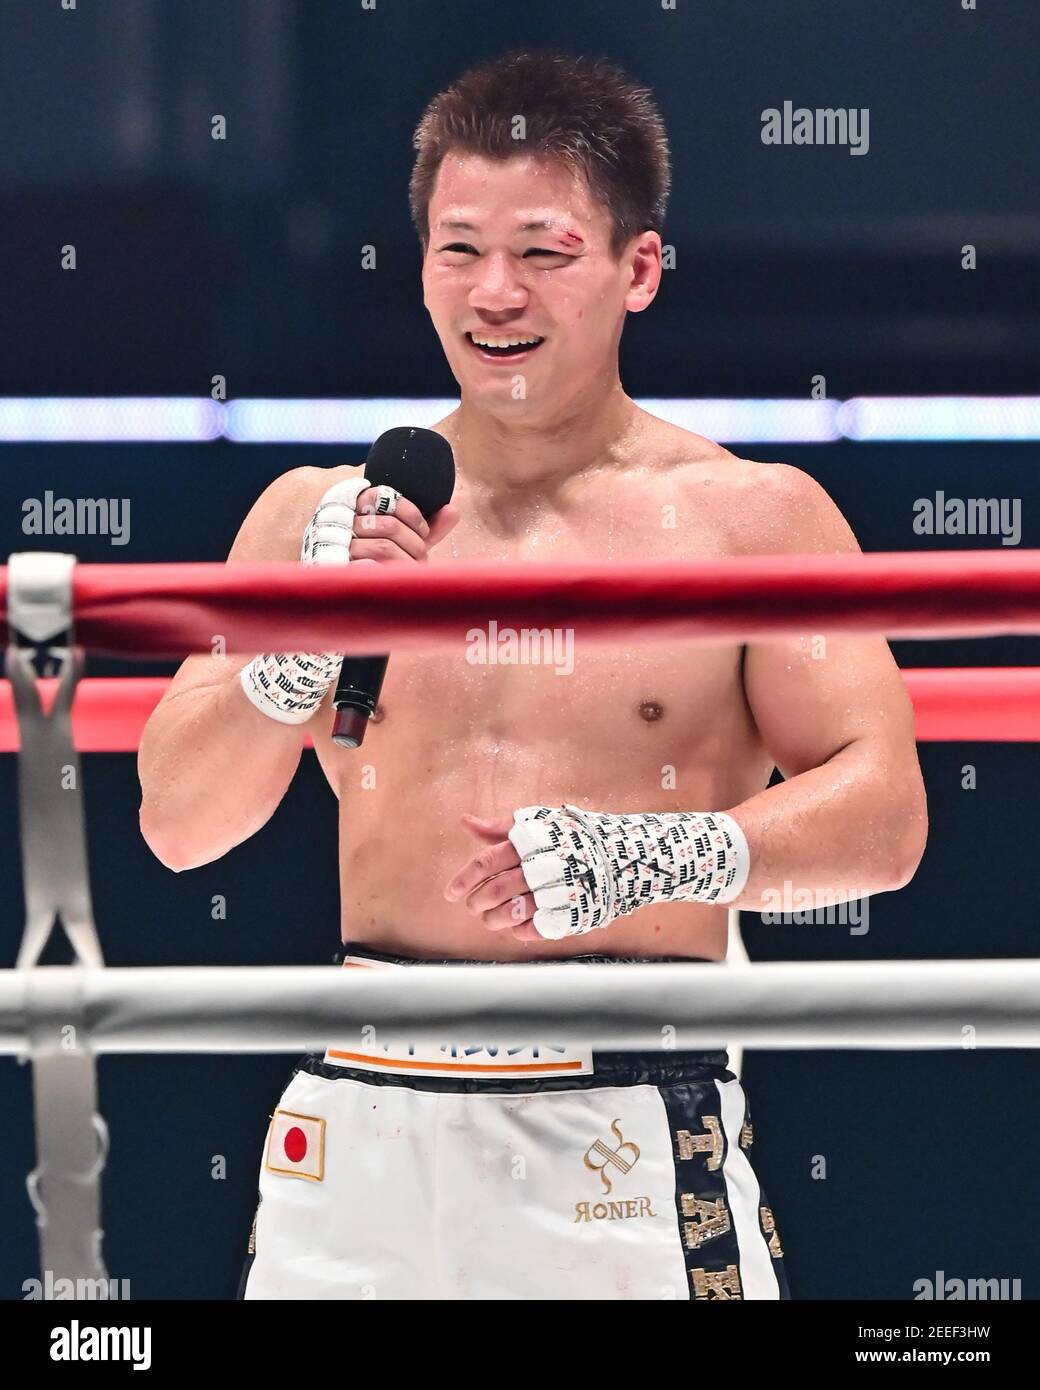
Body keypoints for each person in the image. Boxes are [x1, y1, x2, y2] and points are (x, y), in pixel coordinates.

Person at [138, 49, 927, 1300]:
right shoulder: (318, 516)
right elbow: (176, 825)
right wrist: (292, 659)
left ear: (638, 268)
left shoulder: (749, 518)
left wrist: (664, 855)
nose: (493, 291)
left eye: (543, 251)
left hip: (616, 1117)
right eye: (458, 249)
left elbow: (885, 818)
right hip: (357, 1119)